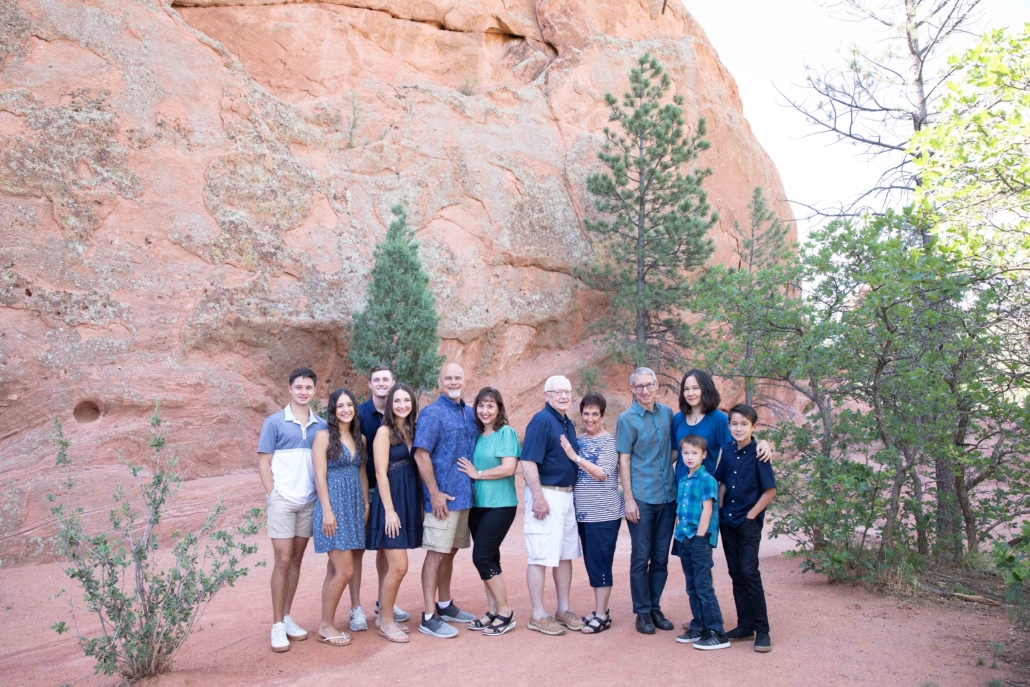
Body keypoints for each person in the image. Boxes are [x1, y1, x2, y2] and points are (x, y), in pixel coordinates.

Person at [257, 367, 327, 653]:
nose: (303, 391)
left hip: (309, 501)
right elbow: (264, 461)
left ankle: (286, 618)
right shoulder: (274, 422)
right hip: (283, 501)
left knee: (297, 559)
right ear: (289, 389)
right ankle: (276, 625)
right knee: (283, 560)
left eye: (308, 387)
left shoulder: (320, 425)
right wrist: (273, 495)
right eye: (298, 387)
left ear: (314, 391)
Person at [413, 362, 479, 638]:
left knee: (450, 552)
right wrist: (434, 493)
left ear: (465, 381)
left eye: (458, 378)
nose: (453, 382)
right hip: (442, 499)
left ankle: (445, 603)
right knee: (436, 554)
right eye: (448, 378)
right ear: (439, 383)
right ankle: (428, 616)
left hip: (465, 498)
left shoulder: (471, 413)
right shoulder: (432, 414)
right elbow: (421, 454)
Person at [520, 375, 584, 636]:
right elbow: (527, 461)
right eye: (557, 392)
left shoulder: (566, 422)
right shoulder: (542, 420)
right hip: (546, 495)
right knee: (540, 555)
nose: (563, 396)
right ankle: (537, 615)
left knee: (565, 555)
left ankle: (563, 609)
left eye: (567, 392)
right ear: (546, 395)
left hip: (566, 496)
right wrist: (538, 497)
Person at [616, 367, 677, 635]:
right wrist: (628, 498)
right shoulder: (626, 419)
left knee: (661, 557)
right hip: (641, 497)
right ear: (631, 388)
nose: (644, 390)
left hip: (668, 496)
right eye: (639, 386)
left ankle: (654, 607)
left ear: (656, 385)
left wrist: (663, 465)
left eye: (649, 385)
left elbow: (673, 449)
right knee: (641, 556)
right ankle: (642, 612)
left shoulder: (667, 414)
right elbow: (624, 460)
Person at [349, 366, 410, 632]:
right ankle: (355, 608)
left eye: (386, 379)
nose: (382, 383)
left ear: (393, 383)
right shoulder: (360, 414)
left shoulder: (405, 419)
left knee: (387, 549)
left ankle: (382, 603)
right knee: (357, 550)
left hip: (392, 491)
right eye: (377, 380)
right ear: (370, 384)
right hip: (366, 488)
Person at [456, 387, 520, 636]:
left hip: (501, 505)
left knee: (481, 557)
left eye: (490, 405)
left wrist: (478, 474)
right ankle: (493, 610)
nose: (485, 410)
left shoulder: (507, 433)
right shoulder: (478, 436)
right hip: (478, 506)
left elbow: (508, 468)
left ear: (498, 408)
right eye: (481, 405)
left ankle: (505, 613)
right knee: (491, 558)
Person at [714, 404, 777, 653]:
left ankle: (762, 630)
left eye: (743, 424)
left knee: (750, 573)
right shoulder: (727, 452)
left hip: (748, 523)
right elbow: (722, 484)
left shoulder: (760, 453)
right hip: (727, 521)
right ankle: (744, 625)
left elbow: (770, 489)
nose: (738, 428)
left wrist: (751, 515)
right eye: (734, 424)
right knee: (736, 573)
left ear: (753, 427)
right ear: (728, 426)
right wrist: (718, 511)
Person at [311, 389, 369, 647]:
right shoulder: (323, 437)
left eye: (349, 405)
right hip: (332, 507)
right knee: (345, 570)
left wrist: (366, 504)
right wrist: (327, 510)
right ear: (333, 410)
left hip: (354, 506)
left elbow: (362, 474)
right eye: (340, 406)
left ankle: (327, 621)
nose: (346, 409)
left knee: (335, 569)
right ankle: (326, 625)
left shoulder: (361, 438)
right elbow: (319, 476)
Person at [561, 392, 622, 634]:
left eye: (595, 414)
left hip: (604, 514)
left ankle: (602, 615)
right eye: (586, 413)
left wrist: (574, 457)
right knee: (592, 563)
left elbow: (602, 473)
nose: (590, 418)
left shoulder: (609, 442)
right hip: (583, 514)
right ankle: (600, 611)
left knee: (601, 563)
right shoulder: (579, 440)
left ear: (603, 416)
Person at [366, 383, 423, 643]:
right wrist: (389, 511)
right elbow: (379, 472)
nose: (402, 405)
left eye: (406, 400)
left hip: (410, 498)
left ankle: (382, 616)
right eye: (397, 401)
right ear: (390, 405)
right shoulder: (384, 431)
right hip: (391, 502)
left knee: (391, 564)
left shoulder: (413, 430)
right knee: (399, 567)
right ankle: (386, 622)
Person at [673, 435, 728, 650]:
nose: (689, 457)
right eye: (685, 453)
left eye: (694, 453)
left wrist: (699, 537)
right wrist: (681, 533)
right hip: (683, 537)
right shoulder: (684, 480)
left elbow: (708, 509)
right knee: (692, 585)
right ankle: (699, 625)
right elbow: (680, 509)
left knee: (704, 585)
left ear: (704, 455)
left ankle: (716, 631)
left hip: (699, 539)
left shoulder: (707, 479)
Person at [671, 369, 771, 482]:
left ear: (705, 389)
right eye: (686, 389)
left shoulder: (718, 419)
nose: (690, 393)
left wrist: (762, 444)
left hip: (705, 492)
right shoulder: (678, 419)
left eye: (695, 388)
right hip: (679, 490)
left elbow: (739, 446)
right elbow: (675, 452)